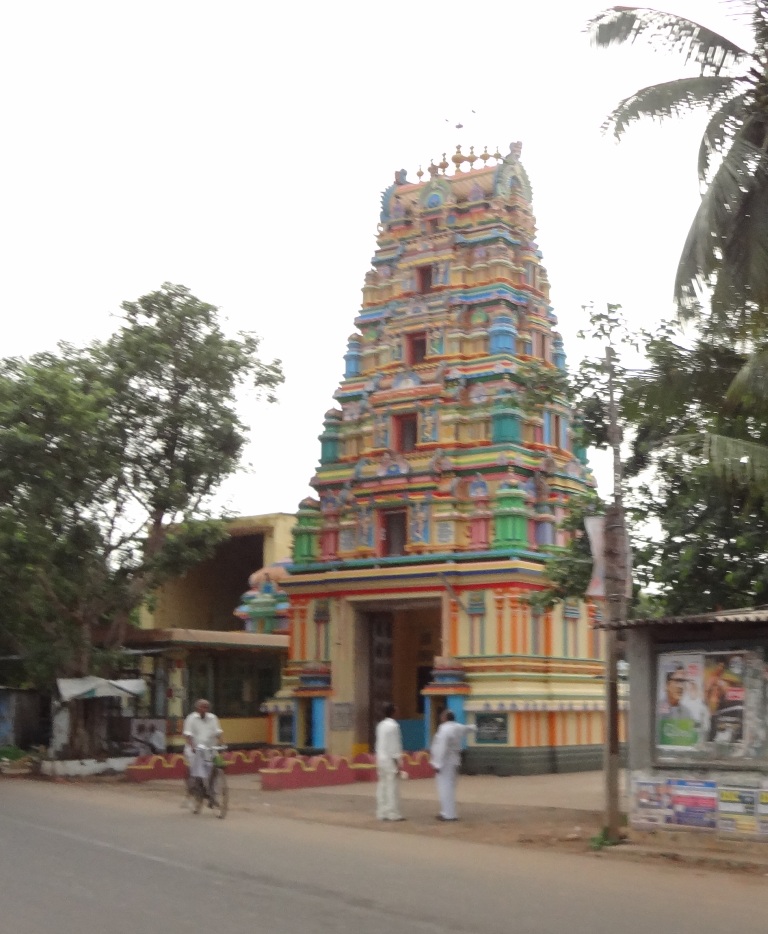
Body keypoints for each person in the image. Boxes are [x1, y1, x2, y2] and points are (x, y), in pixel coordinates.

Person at [430, 709, 476, 821]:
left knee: (445, 787)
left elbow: (441, 747)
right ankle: (447, 811)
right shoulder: (457, 727)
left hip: (445, 761)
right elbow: (469, 728)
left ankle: (449, 814)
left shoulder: (444, 729)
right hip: (455, 759)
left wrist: (437, 764)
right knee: (450, 786)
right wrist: (475, 726)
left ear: (445, 718)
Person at [182, 698, 223, 803]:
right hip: (195, 749)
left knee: (215, 769)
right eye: (203, 707)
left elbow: (218, 732)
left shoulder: (213, 718)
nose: (205, 709)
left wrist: (221, 743)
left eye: (207, 707)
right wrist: (192, 747)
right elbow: (188, 735)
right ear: (197, 708)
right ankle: (198, 789)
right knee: (197, 772)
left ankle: (212, 793)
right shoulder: (191, 718)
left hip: (209, 748)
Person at [375, 702, 405, 821]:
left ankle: (382, 812)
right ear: (393, 712)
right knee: (392, 787)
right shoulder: (394, 726)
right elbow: (395, 746)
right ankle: (393, 813)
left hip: (380, 759)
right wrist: (398, 763)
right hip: (389, 760)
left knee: (382, 786)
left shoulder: (380, 725)